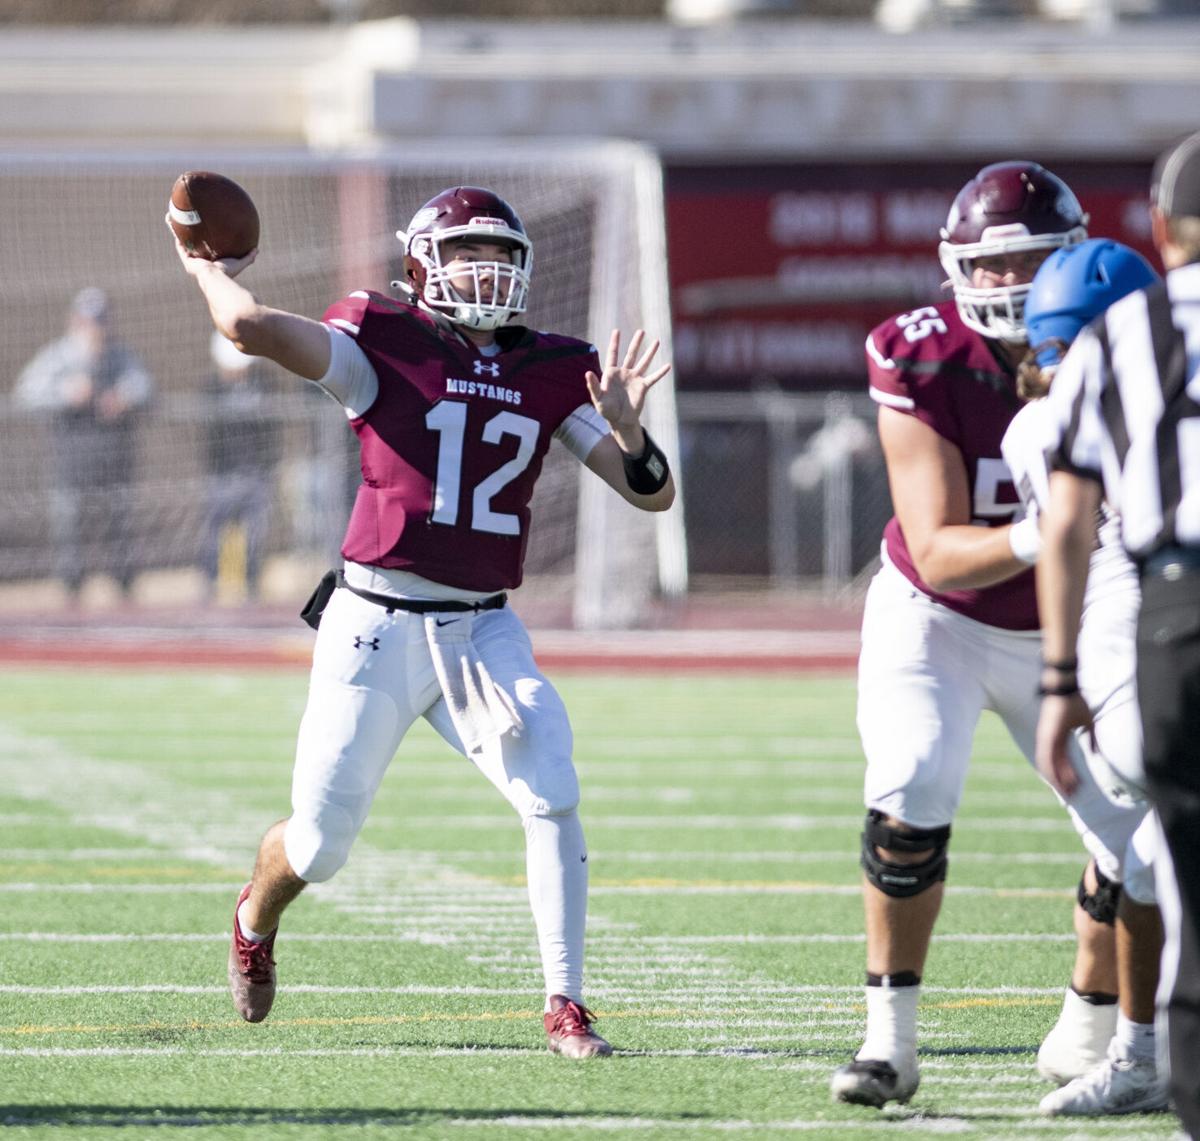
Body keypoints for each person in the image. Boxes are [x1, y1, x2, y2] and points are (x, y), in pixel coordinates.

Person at [170, 185, 675, 1058]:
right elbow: (248, 327)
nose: (488, 272)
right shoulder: (379, 338)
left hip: (482, 630)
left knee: (552, 789)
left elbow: (651, 493)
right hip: (375, 623)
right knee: (321, 846)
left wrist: (631, 434)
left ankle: (567, 1004)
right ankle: (256, 913)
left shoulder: (557, 366)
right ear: (421, 266)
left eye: (502, 256)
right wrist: (204, 270)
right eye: (468, 254)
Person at [830, 162, 1145, 1110]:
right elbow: (936, 547)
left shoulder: (1136, 348)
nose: (1010, 285)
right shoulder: (923, 352)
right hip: (942, 618)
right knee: (913, 779)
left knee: (1138, 833)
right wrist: (1046, 527)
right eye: (993, 266)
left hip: (1080, 614)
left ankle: (1088, 1030)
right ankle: (889, 1045)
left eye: (1033, 263)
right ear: (956, 270)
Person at [1036, 129, 1200, 1138]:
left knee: (1172, 852)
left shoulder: (1124, 339)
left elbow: (1062, 520)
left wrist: (1059, 680)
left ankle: (1161, 1072)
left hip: (1173, 614)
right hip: (1157, 607)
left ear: (1158, 223)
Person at [1000, 238, 1168, 1117]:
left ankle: (1138, 1050)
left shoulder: (1037, 419)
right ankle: (1139, 1049)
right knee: (1146, 853)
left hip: (1112, 656)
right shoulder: (1076, 415)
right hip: (1137, 644)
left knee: (1145, 855)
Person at [13, 287, 154, 599]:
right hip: (71, 464)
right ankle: (71, 588)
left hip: (114, 463)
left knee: (120, 528)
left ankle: (124, 586)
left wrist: (123, 398)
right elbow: (24, 394)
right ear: (75, 322)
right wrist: (65, 394)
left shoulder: (121, 356)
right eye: (88, 322)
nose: (95, 330)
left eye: (101, 322)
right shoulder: (57, 357)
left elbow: (146, 387)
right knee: (70, 528)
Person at [201, 331, 278, 602]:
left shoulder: (263, 384)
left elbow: (271, 428)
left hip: (256, 471)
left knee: (256, 532)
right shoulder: (212, 388)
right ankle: (209, 584)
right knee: (215, 531)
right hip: (222, 473)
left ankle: (252, 584)